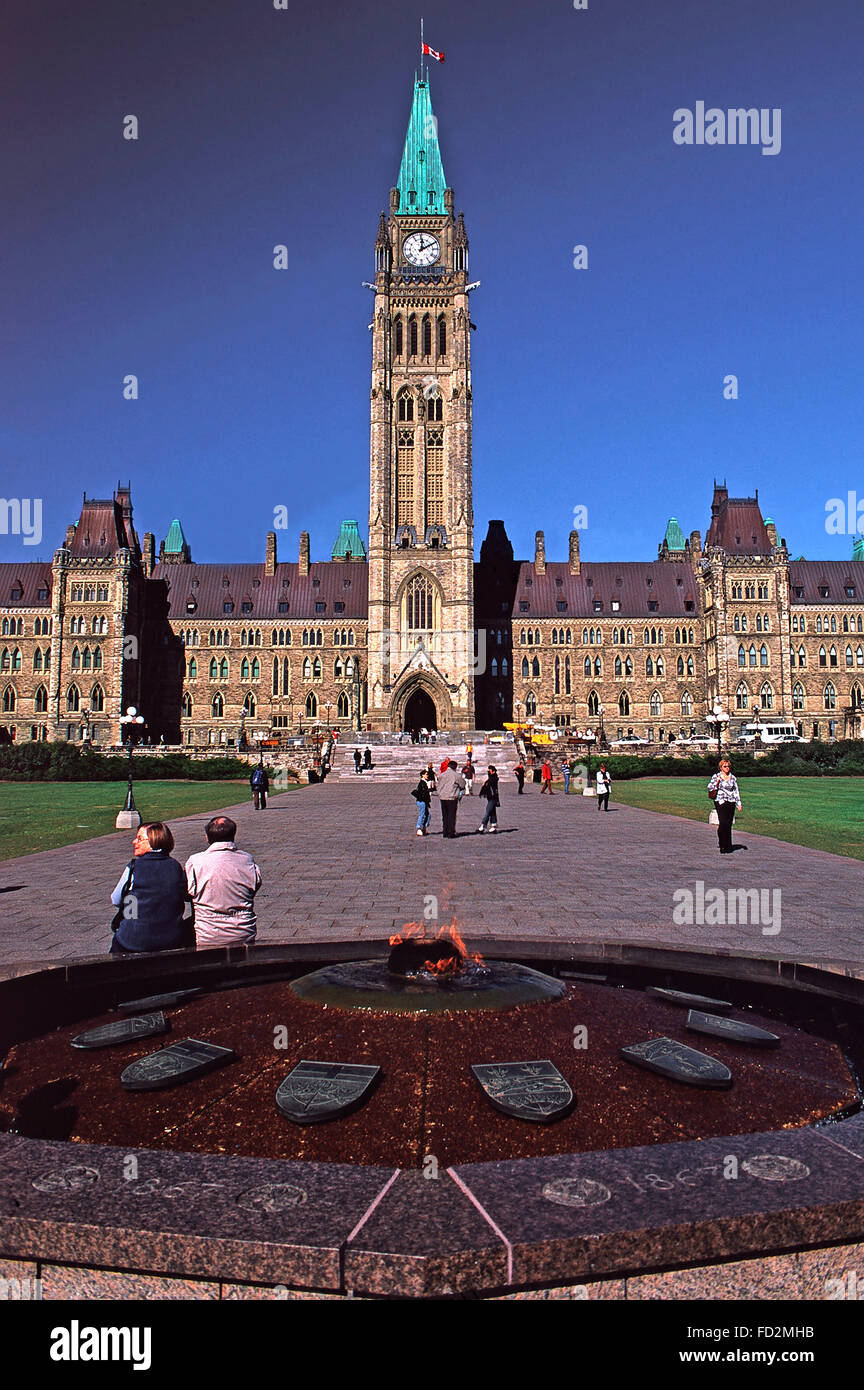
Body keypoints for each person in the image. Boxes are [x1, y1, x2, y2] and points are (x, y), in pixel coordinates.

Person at [110, 822, 191, 956]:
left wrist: (134, 907)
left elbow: (116, 899)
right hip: (171, 938)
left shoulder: (134, 867)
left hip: (133, 940)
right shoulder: (175, 866)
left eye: (140, 838)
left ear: (154, 840)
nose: (134, 842)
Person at [184, 816, 262, 947]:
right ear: (233, 835)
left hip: (207, 932)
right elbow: (255, 886)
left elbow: (188, 892)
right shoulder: (247, 859)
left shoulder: (195, 861)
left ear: (207, 838)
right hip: (244, 930)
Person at [708, 758, 743, 854]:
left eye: (728, 766)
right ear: (721, 767)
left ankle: (728, 845)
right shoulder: (716, 776)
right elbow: (710, 787)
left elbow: (736, 791)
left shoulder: (733, 778)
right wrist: (717, 783)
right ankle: (722, 844)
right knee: (723, 822)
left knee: (728, 823)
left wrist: (738, 803)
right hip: (720, 800)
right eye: (725, 766)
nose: (727, 768)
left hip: (730, 801)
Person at [436, 759, 466, 838]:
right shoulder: (456, 775)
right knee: (451, 815)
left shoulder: (442, 775)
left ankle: (445, 832)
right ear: (455, 767)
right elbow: (462, 784)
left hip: (443, 797)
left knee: (445, 815)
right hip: (452, 797)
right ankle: (451, 832)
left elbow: (438, 784)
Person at [477, 764, 500, 833]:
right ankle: (493, 826)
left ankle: (482, 826)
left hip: (493, 797)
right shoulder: (491, 778)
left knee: (488, 811)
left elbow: (490, 783)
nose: (488, 772)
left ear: (492, 771)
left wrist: (485, 784)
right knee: (492, 811)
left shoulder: (494, 778)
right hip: (490, 796)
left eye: (489, 771)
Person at [411, 768, 432, 836]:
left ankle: (424, 827)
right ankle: (419, 828)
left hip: (424, 801)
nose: (427, 775)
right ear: (422, 775)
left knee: (428, 815)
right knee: (422, 814)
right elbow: (424, 793)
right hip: (422, 801)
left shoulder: (425, 782)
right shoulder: (422, 783)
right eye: (426, 774)